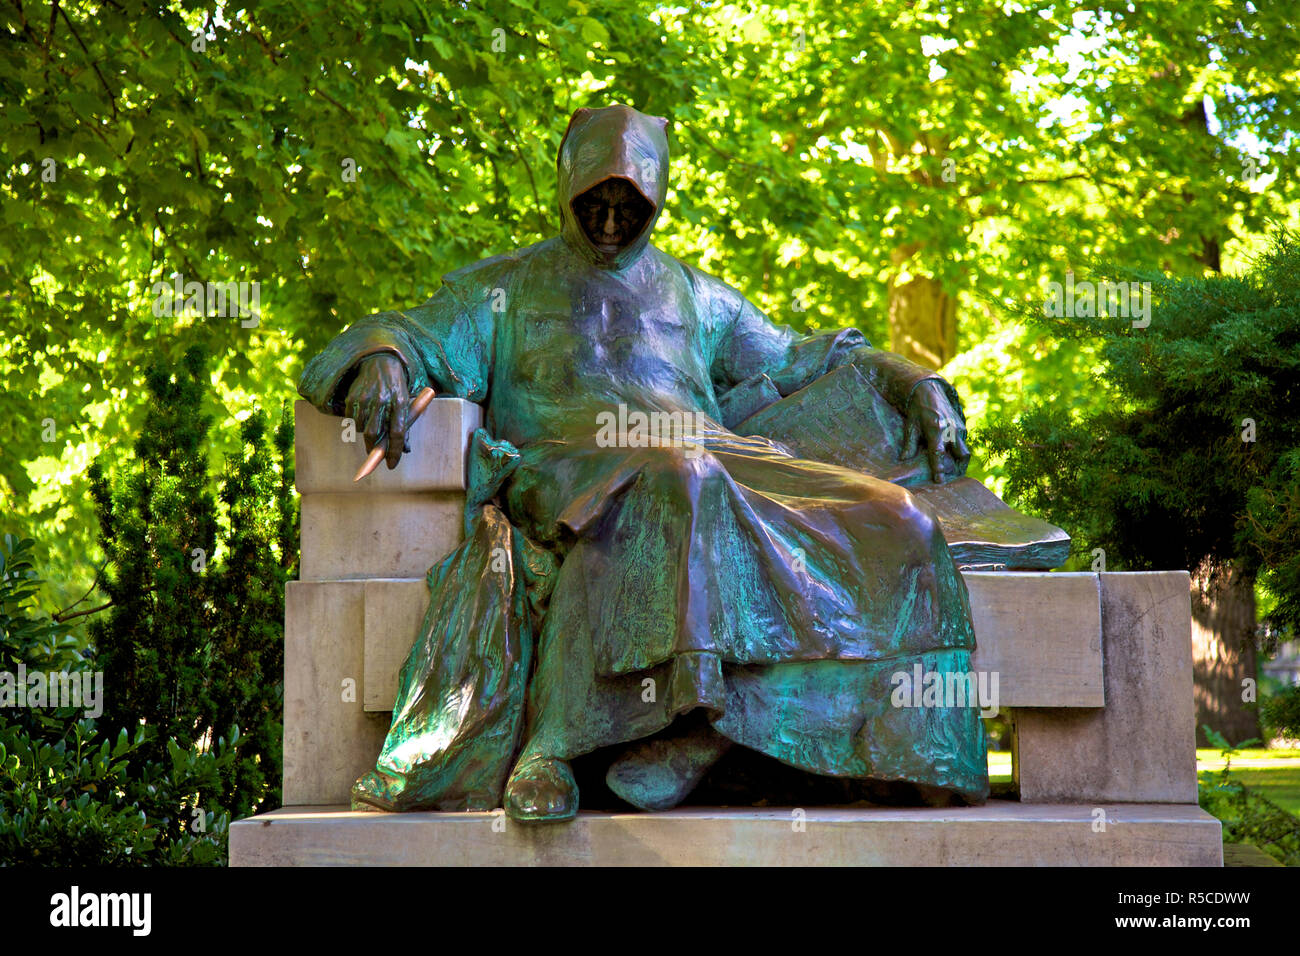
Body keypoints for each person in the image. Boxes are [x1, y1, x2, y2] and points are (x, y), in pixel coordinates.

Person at [300, 104, 989, 822]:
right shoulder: (498, 289)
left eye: (627, 206)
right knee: (680, 476)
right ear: (565, 188)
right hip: (570, 468)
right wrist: (381, 359)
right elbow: (408, 331)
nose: (606, 221)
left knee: (896, 517)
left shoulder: (698, 295)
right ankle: (567, 744)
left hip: (713, 462)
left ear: (656, 203)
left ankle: (728, 736)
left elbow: (802, 357)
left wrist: (915, 382)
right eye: (593, 201)